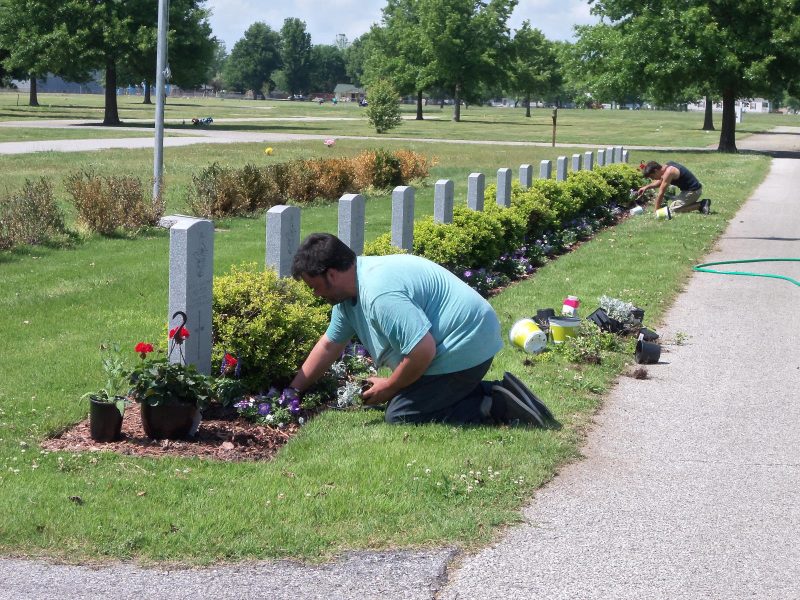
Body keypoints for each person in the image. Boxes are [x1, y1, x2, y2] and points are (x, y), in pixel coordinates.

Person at [288, 233, 554, 427]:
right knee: (406, 398)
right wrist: (293, 391)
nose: (315, 293)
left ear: (331, 274)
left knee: (401, 414)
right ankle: (498, 393)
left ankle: (495, 404)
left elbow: (422, 352)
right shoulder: (351, 293)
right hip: (462, 343)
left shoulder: (379, 293)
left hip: (466, 344)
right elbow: (329, 345)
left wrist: (390, 387)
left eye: (314, 286)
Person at [638, 160, 710, 214]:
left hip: (693, 192)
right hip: (689, 191)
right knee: (673, 204)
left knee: (673, 210)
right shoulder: (667, 166)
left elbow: (661, 193)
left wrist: (656, 211)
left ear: (656, 171)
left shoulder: (669, 172)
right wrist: (646, 187)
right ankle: (697, 204)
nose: (653, 179)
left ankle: (701, 204)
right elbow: (660, 182)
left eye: (652, 176)